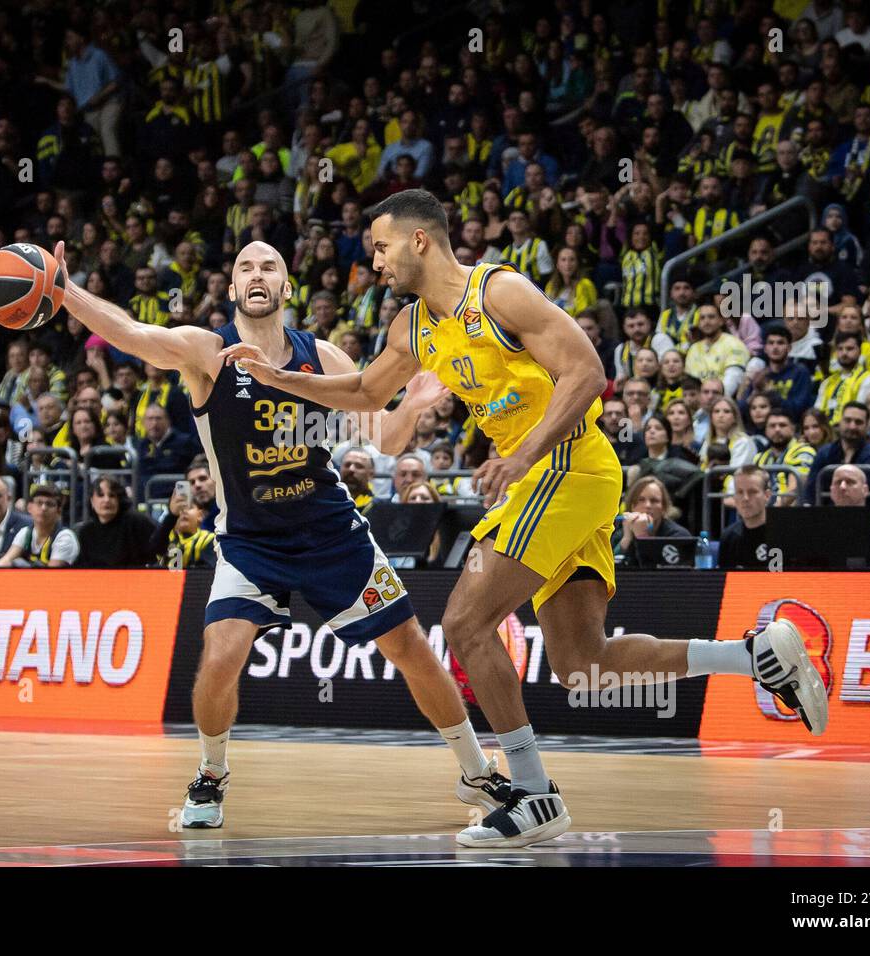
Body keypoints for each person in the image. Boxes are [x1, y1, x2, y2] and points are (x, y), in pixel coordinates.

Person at [217, 189, 829, 848]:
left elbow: (588, 372)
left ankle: (534, 794)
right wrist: (277, 377)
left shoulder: (500, 292)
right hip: (553, 482)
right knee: (579, 661)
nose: (375, 261)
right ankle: (756, 654)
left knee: (463, 621)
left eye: (382, 246)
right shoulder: (414, 326)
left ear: (420, 240)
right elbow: (366, 391)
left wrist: (522, 455)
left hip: (567, 466)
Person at [52, 236, 512, 833]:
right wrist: (66, 291)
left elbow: (387, 442)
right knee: (219, 656)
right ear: (234, 286)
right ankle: (211, 774)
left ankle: (474, 768)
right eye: (245, 265)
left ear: (287, 287)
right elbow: (134, 334)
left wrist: (415, 404)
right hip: (250, 540)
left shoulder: (324, 358)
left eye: (270, 264)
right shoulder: (207, 352)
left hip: (330, 532)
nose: (258, 273)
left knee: (413, 651)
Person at [73, 476, 158, 568]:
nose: (106, 500)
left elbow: (158, 549)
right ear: (92, 501)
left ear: (119, 499)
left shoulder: (137, 522)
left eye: (112, 495)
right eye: (101, 495)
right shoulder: (85, 532)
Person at [613, 475, 692, 568]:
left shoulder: (679, 536)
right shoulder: (620, 532)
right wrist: (627, 538)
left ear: (663, 507)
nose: (647, 505)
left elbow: (652, 577)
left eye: (654, 501)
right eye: (641, 500)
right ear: (632, 506)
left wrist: (642, 536)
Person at [828, 464, 870, 567]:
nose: (842, 487)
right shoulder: (819, 529)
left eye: (850, 482)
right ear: (831, 491)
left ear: (865, 490)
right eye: (837, 482)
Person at [0, 484, 80, 568]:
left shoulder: (65, 537)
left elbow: (51, 576)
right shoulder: (25, 532)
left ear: (58, 512)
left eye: (49, 504)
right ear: (30, 508)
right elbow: (5, 561)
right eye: (39, 503)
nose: (43, 508)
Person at [717, 465, 770, 569]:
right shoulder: (729, 537)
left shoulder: (784, 534)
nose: (745, 498)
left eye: (752, 492)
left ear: (767, 495)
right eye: (740, 492)